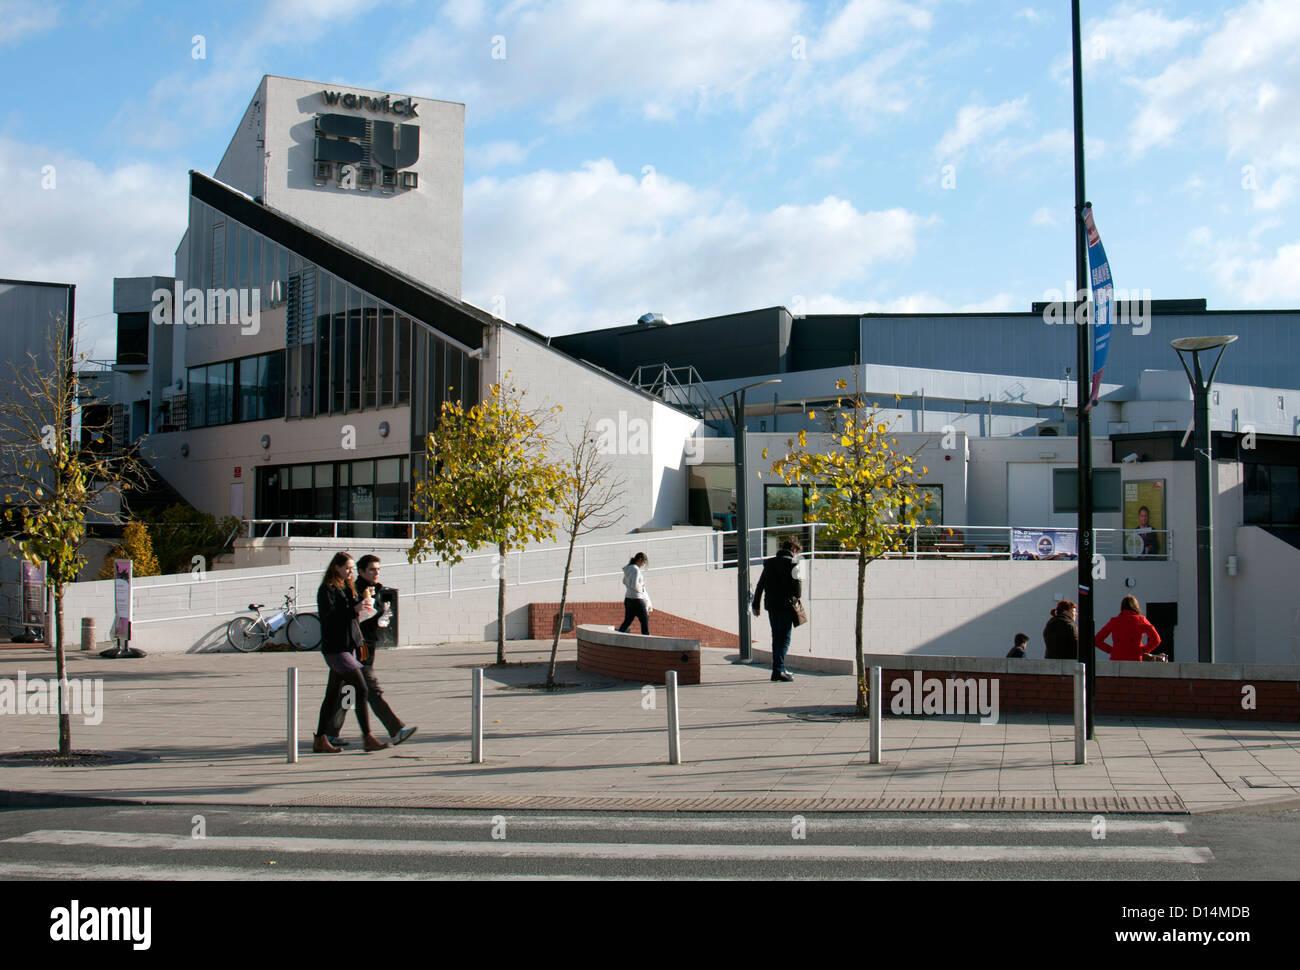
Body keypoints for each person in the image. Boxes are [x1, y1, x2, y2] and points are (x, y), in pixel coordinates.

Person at [325, 554, 417, 748]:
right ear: (361, 571)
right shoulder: (353, 590)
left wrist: (381, 616)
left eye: (378, 569)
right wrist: (365, 613)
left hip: (365, 645)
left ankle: (329, 734)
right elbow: (349, 616)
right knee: (370, 689)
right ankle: (395, 729)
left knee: (345, 690)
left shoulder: (377, 590)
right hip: (358, 647)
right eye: (372, 570)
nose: (376, 573)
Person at [313, 552, 388, 754]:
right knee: (361, 689)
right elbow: (330, 617)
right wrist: (354, 609)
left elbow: (352, 612)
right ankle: (367, 737)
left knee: (332, 696)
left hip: (347, 646)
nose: (350, 572)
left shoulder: (347, 587)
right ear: (335, 567)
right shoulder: (327, 590)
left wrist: (365, 606)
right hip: (336, 649)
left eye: (352, 568)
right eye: (347, 568)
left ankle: (321, 738)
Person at [753, 538, 803, 682]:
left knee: (776, 637)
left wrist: (756, 605)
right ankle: (778, 670)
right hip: (786, 606)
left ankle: (778, 669)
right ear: (794, 550)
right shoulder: (796, 563)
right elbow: (798, 591)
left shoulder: (769, 563)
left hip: (771, 605)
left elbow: (760, 585)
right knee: (785, 638)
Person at [1095, 595, 1163, 662]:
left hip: (1116, 658)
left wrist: (1112, 650)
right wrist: (1142, 650)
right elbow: (1156, 640)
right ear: (1136, 607)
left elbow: (1097, 640)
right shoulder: (1141, 620)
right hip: (1135, 658)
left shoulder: (1114, 621)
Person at [617, 553, 652, 634]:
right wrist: (642, 585)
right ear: (640, 560)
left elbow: (624, 581)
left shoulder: (628, 568)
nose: (643, 565)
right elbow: (634, 585)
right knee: (644, 619)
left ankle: (619, 635)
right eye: (644, 562)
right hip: (637, 598)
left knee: (628, 620)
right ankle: (646, 638)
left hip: (628, 598)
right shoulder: (635, 569)